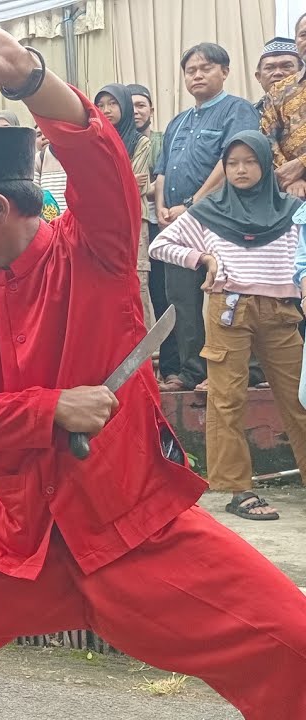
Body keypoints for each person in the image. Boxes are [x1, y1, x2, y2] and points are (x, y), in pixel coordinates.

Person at [0, 20, 306, 720]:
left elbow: (98, 161)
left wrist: (29, 79)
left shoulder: (94, 255)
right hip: (13, 531)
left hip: (134, 528)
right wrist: (51, 408)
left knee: (294, 642)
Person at [150, 131, 306, 521]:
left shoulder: (292, 211)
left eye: (250, 161)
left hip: (282, 313)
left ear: (265, 165)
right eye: (232, 163)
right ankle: (239, 491)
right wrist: (203, 259)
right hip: (229, 311)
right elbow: (160, 245)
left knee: (300, 400)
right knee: (227, 400)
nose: (241, 170)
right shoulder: (209, 211)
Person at [155, 42, 261, 393]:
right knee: (182, 298)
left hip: (222, 219)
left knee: (230, 294)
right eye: (191, 71)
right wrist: (162, 207)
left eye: (206, 68)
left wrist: (192, 203)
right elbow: (162, 171)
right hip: (178, 224)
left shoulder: (238, 110)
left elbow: (232, 162)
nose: (197, 75)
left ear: (225, 72)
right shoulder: (177, 122)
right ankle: (191, 372)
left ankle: (241, 370)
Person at [128, 82, 181, 387]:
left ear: (151, 109)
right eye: (130, 105)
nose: (136, 111)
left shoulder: (161, 141)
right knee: (135, 299)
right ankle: (140, 369)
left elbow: (163, 180)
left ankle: (171, 366)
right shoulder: (119, 140)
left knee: (163, 297)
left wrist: (142, 188)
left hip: (160, 226)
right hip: (131, 229)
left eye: (141, 105)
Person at [95, 83, 154, 319]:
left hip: (134, 220)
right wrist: (123, 179)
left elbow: (137, 188)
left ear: (124, 106)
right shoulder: (96, 140)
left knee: (137, 280)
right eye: (100, 105)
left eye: (112, 103)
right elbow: (90, 182)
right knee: (108, 281)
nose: (106, 110)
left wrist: (108, 181)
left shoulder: (140, 142)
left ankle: (146, 339)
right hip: (103, 222)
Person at [263, 16, 306, 198]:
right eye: (303, 35)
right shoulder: (279, 90)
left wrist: (302, 163)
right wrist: (290, 176)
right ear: (296, 42)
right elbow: (268, 137)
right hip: (292, 191)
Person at [254, 36, 302, 114]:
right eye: (269, 68)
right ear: (258, 76)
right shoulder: (249, 114)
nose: (277, 73)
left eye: (286, 66)